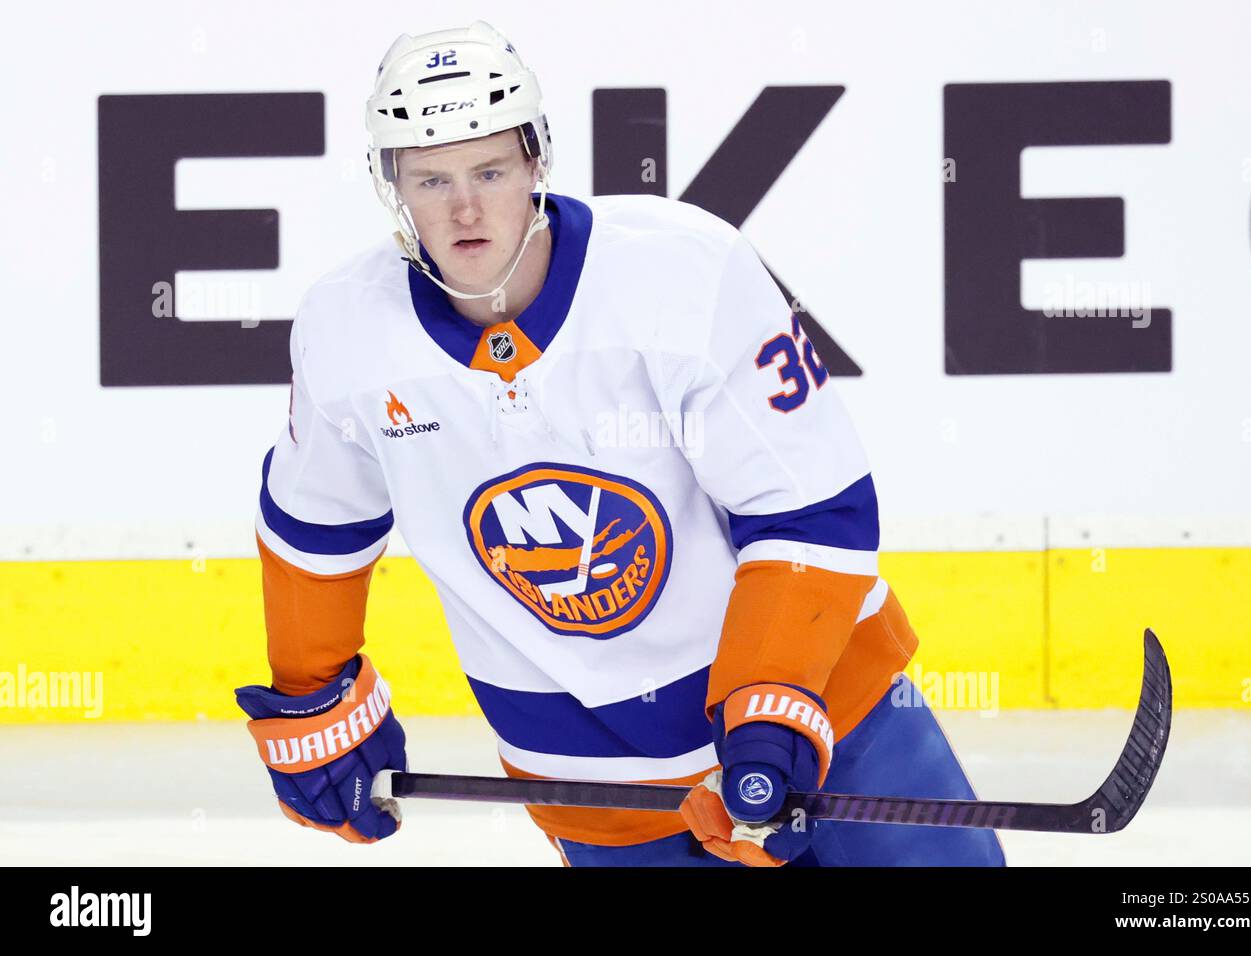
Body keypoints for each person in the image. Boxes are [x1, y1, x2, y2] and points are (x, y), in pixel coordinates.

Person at [234, 20, 1005, 867]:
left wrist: (772, 699)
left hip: (837, 705)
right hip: (595, 780)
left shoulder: (681, 273)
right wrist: (314, 699)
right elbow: (316, 531)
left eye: (490, 170)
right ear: (394, 187)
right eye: (432, 178)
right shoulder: (350, 333)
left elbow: (809, 504)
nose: (464, 207)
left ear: (536, 160)